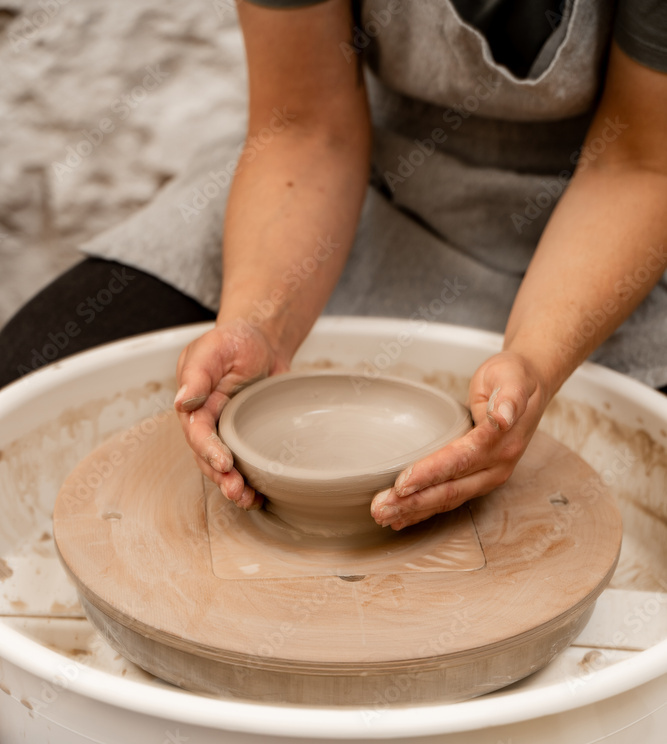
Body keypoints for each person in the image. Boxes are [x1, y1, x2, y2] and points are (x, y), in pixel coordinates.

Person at [2, 0, 666, 530]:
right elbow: (305, 125)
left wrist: (534, 363)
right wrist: (260, 321)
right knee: (25, 382)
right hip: (359, 174)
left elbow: (639, 161)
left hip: (608, 210)